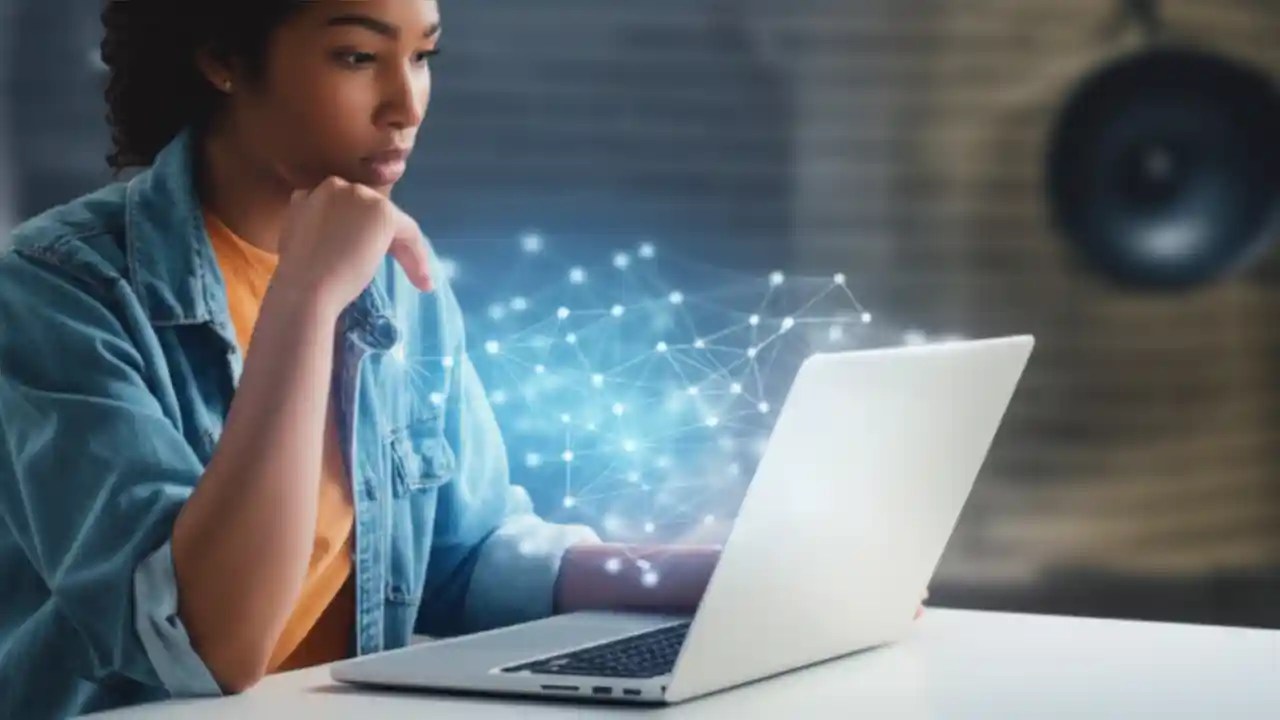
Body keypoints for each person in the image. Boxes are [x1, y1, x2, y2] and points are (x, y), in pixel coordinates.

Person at [0, 2, 921, 717]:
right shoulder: (60, 291)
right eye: (358, 57)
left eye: (424, 54)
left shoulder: (397, 277)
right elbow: (207, 645)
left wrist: (702, 574)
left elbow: (464, 556)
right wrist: (306, 301)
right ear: (223, 57)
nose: (406, 104)